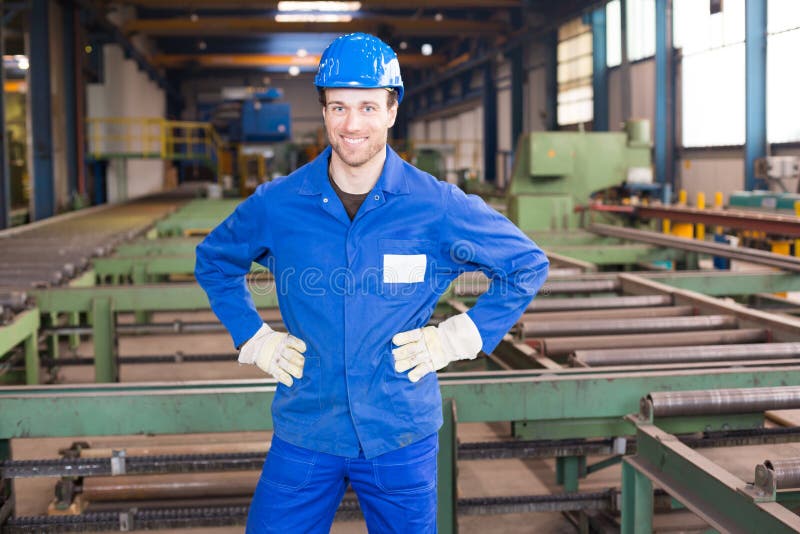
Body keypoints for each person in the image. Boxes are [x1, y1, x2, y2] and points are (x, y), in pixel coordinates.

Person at [195, 32, 549, 534]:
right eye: (338, 107)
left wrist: (460, 337)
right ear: (323, 112)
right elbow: (214, 261)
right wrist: (254, 338)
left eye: (367, 106)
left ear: (392, 110)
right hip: (307, 425)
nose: (352, 124)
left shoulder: (436, 206)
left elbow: (526, 264)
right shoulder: (279, 203)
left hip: (399, 431)